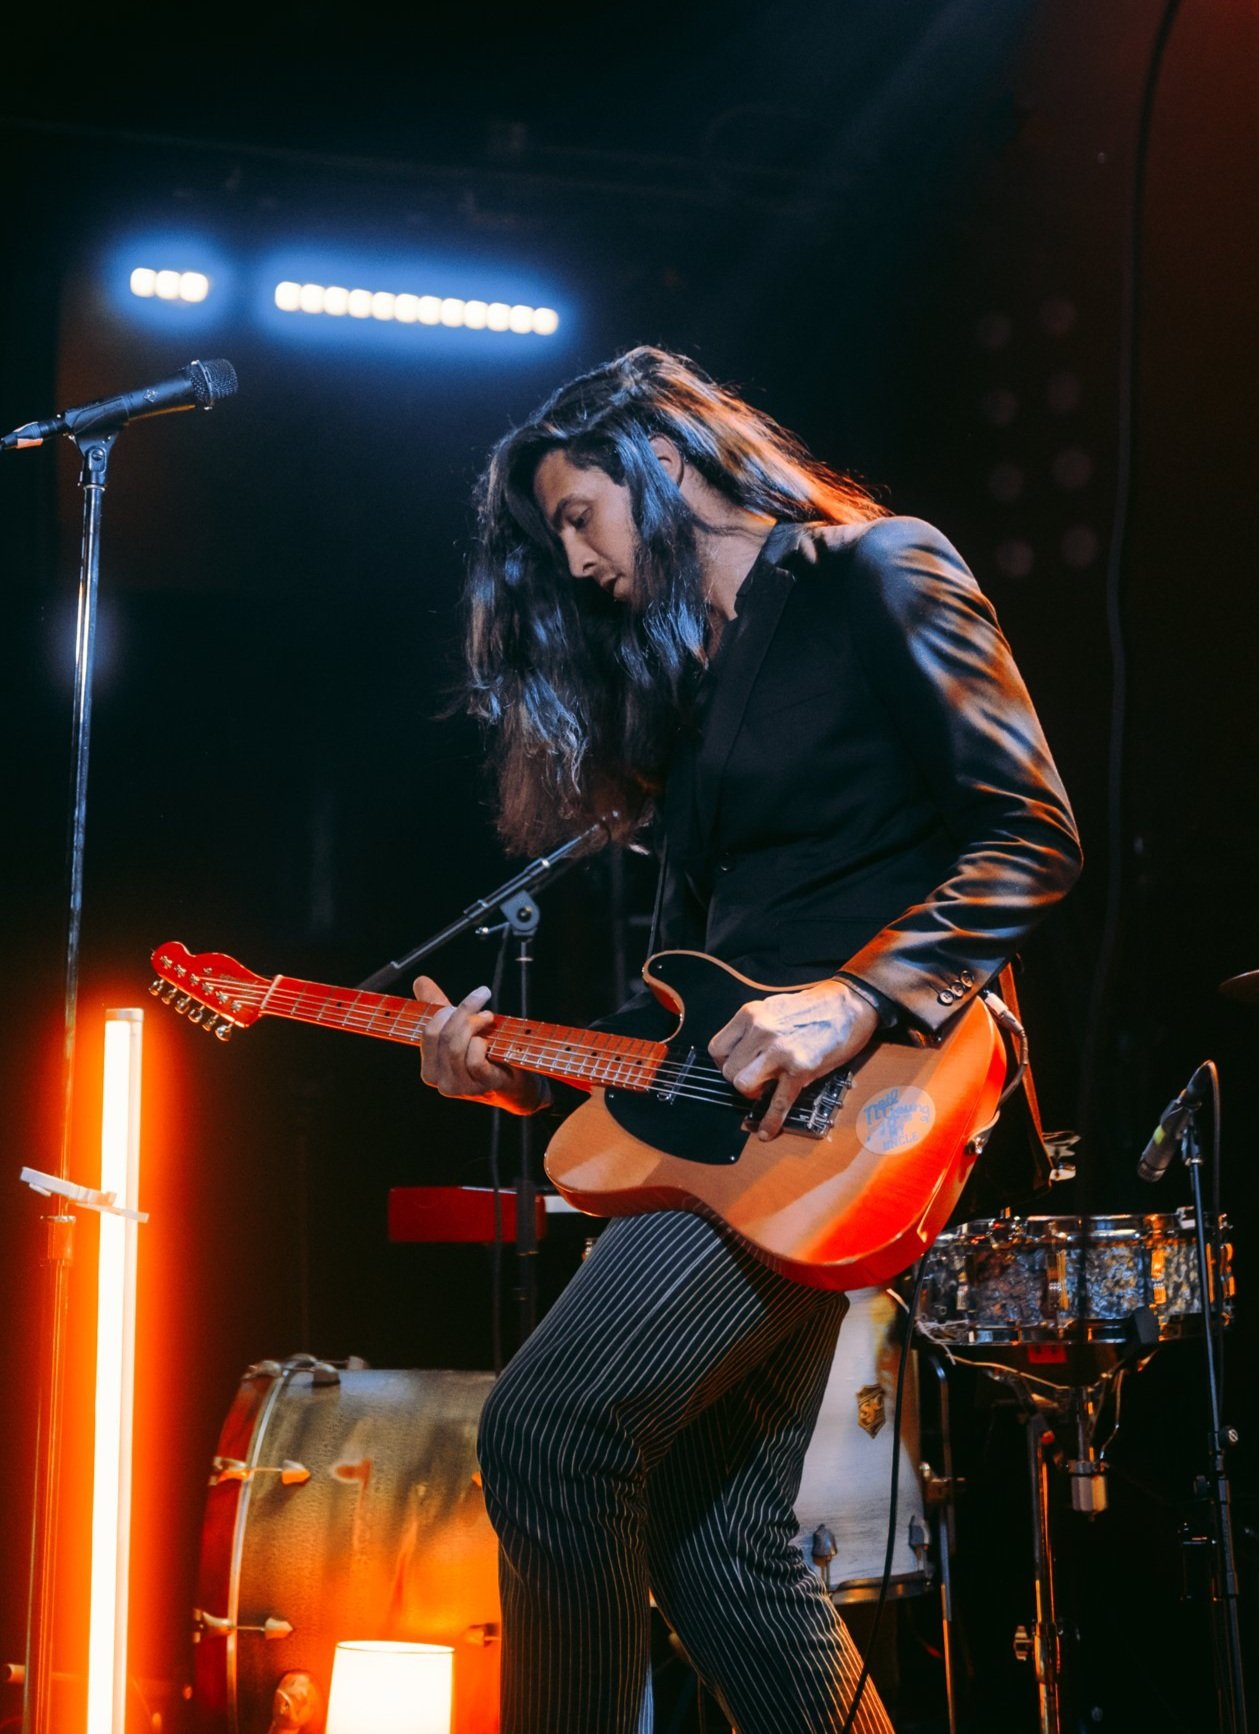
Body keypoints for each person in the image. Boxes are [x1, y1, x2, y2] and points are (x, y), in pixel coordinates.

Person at [412, 346, 1081, 1733]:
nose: (578, 561)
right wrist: (518, 1064)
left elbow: (1033, 834)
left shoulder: (880, 569)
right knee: (716, 1540)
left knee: (550, 1430)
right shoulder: (699, 691)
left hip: (888, 1081)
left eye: (581, 516)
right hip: (755, 1120)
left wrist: (857, 997)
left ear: (658, 457)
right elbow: (698, 995)